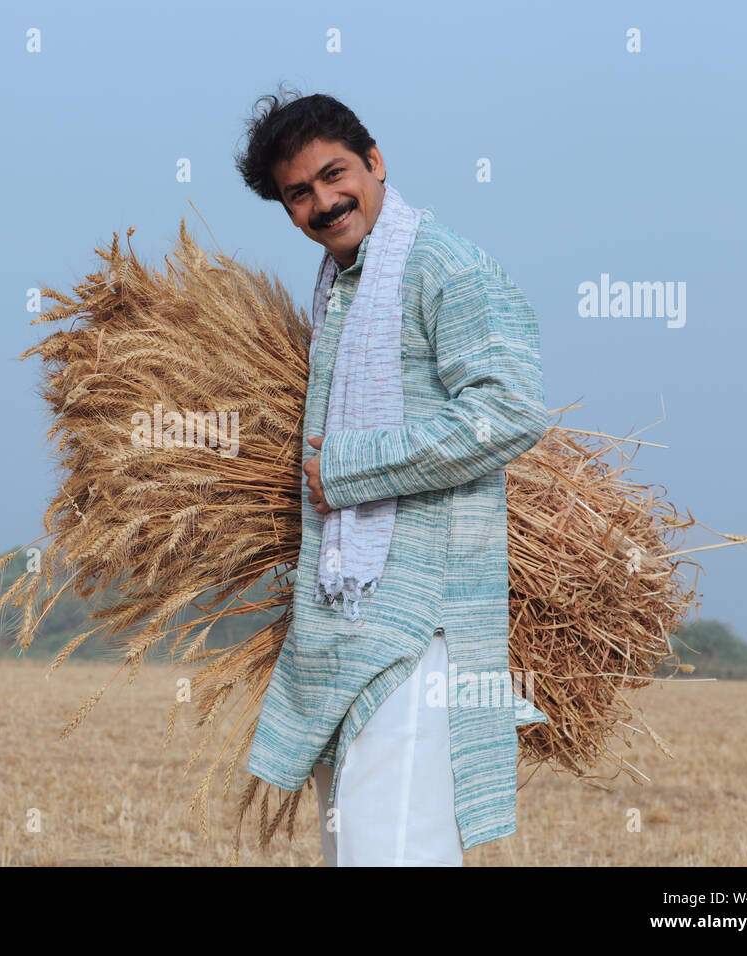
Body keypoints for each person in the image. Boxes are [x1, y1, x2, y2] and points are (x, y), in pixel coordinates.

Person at [234, 88, 551, 866]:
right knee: (365, 847)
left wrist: (345, 468)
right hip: (357, 623)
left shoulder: (444, 265)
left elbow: (509, 411)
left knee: (391, 849)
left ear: (376, 162)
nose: (323, 202)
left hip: (425, 628)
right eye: (297, 193)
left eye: (334, 174)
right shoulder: (341, 285)